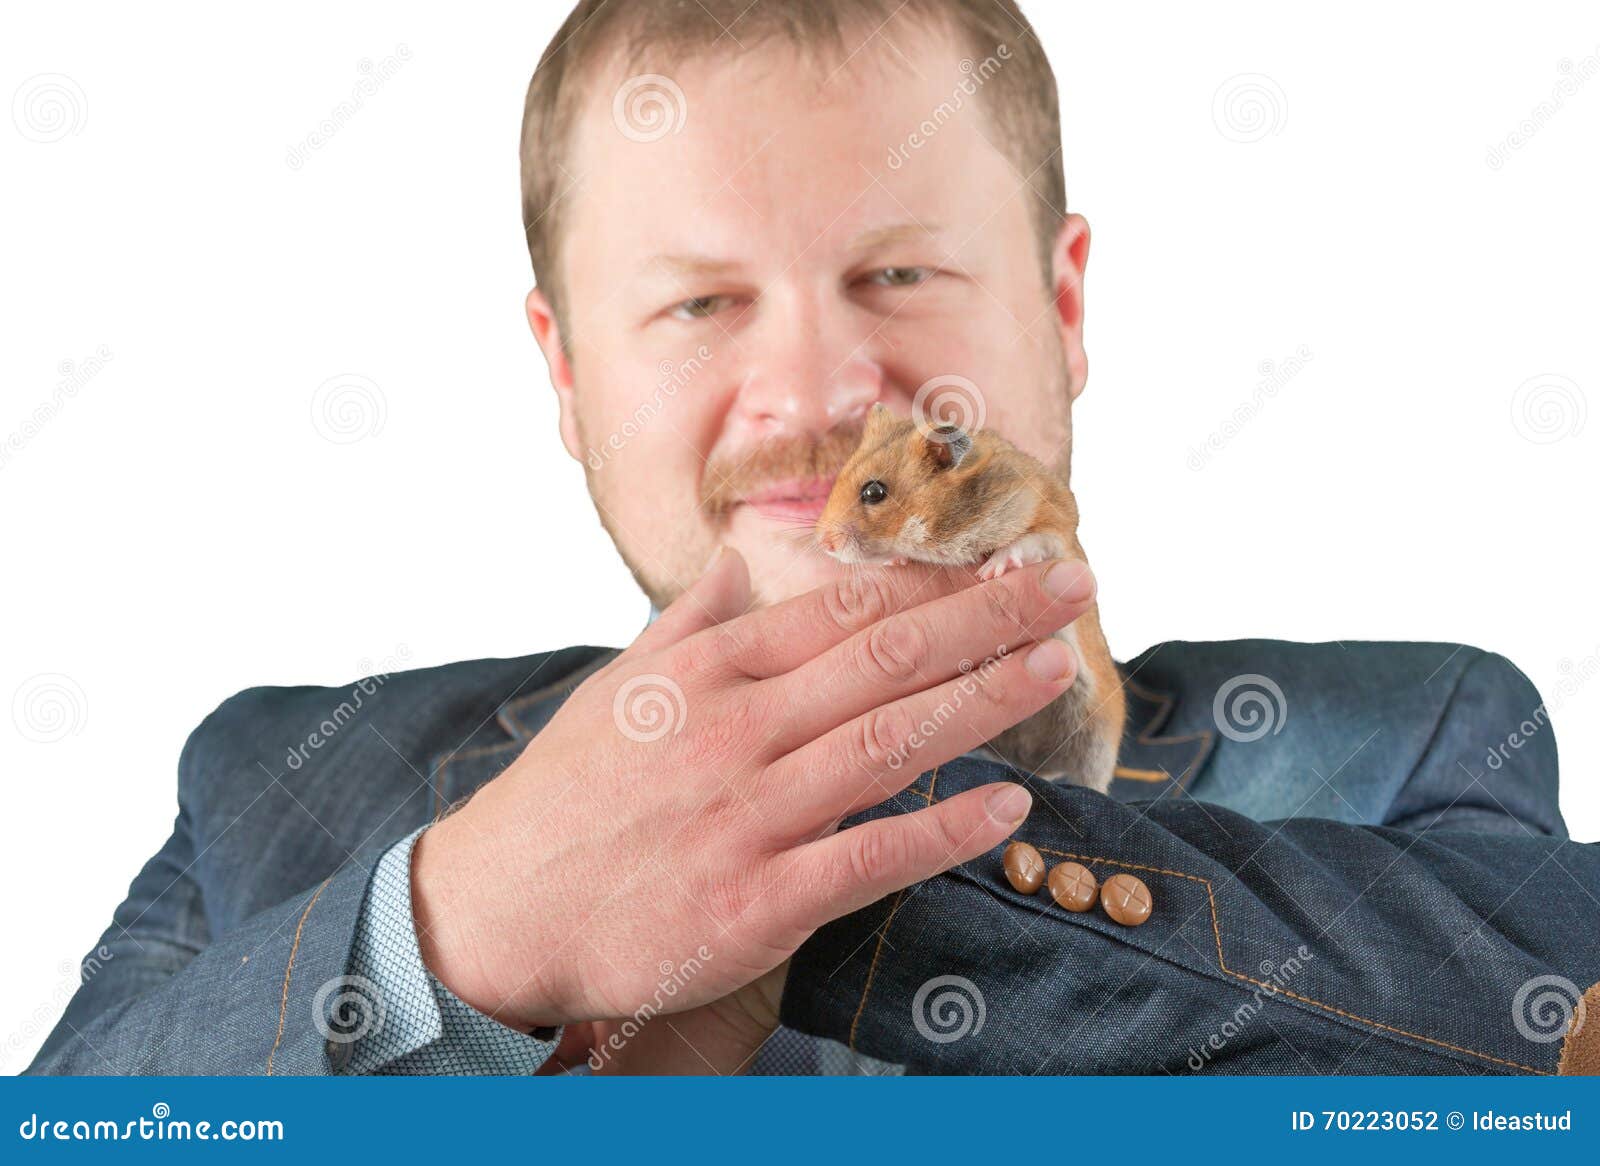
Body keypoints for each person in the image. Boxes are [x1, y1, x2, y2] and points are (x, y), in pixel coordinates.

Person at [26, 0, 1599, 1077]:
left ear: (1061, 310)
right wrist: (465, 938)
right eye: (702, 302)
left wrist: (854, 883)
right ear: (567, 374)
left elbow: (1540, 1067)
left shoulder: (1410, 737)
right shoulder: (273, 780)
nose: (823, 396)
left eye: (902, 278)